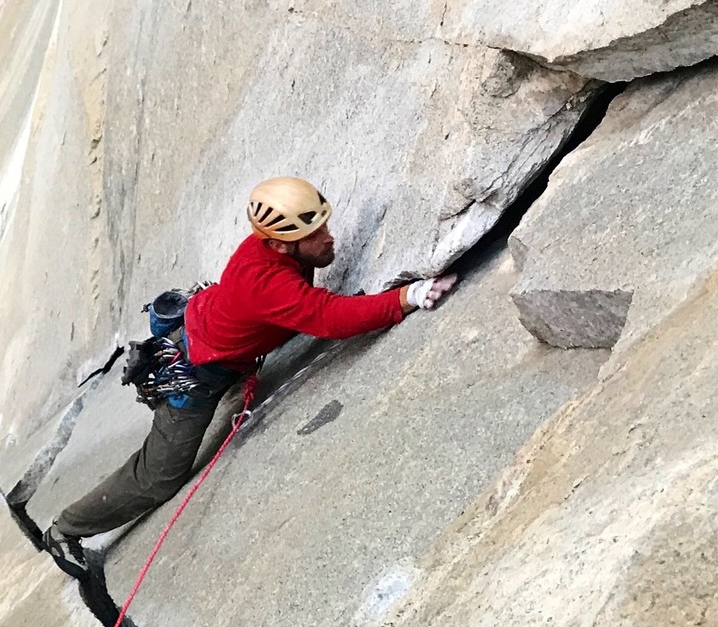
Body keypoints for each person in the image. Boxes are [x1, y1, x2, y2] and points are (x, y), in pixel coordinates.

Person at [42, 176, 458, 572]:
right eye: (314, 234)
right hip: (194, 373)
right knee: (158, 478)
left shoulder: (272, 252)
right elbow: (328, 317)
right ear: (277, 243)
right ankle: (64, 530)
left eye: (323, 226)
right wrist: (408, 296)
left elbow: (308, 308)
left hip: (210, 332)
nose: (329, 238)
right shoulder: (264, 282)